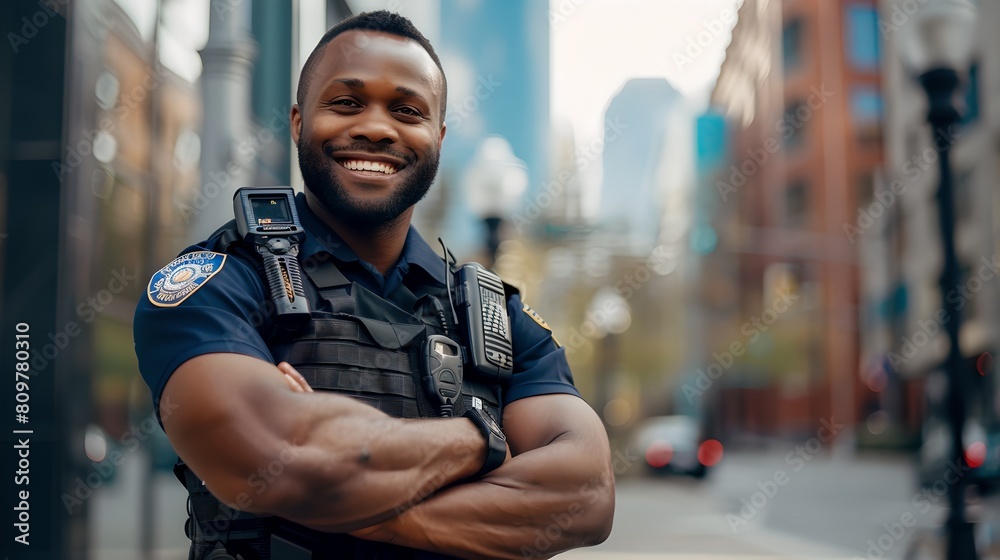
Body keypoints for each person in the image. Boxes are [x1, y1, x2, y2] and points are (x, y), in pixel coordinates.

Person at [133, 10, 614, 560]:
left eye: (407, 111)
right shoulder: (218, 284)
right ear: (298, 122)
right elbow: (279, 459)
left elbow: (588, 496)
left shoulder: (496, 318)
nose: (377, 128)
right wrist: (484, 437)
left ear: (438, 137)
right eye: (346, 103)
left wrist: (355, 507)